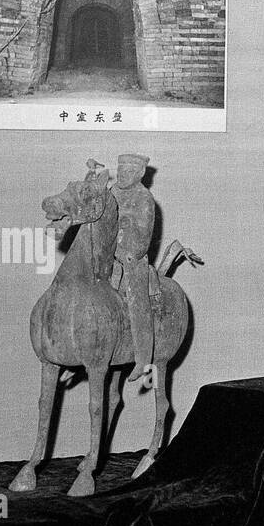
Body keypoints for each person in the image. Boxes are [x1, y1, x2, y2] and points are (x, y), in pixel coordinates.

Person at [110, 152, 159, 392]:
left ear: (139, 174)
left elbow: (143, 239)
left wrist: (126, 252)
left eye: (128, 172)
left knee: (137, 303)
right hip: (107, 255)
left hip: (131, 260)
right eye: (119, 171)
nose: (121, 175)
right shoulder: (113, 192)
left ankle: (142, 358)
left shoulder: (144, 199)